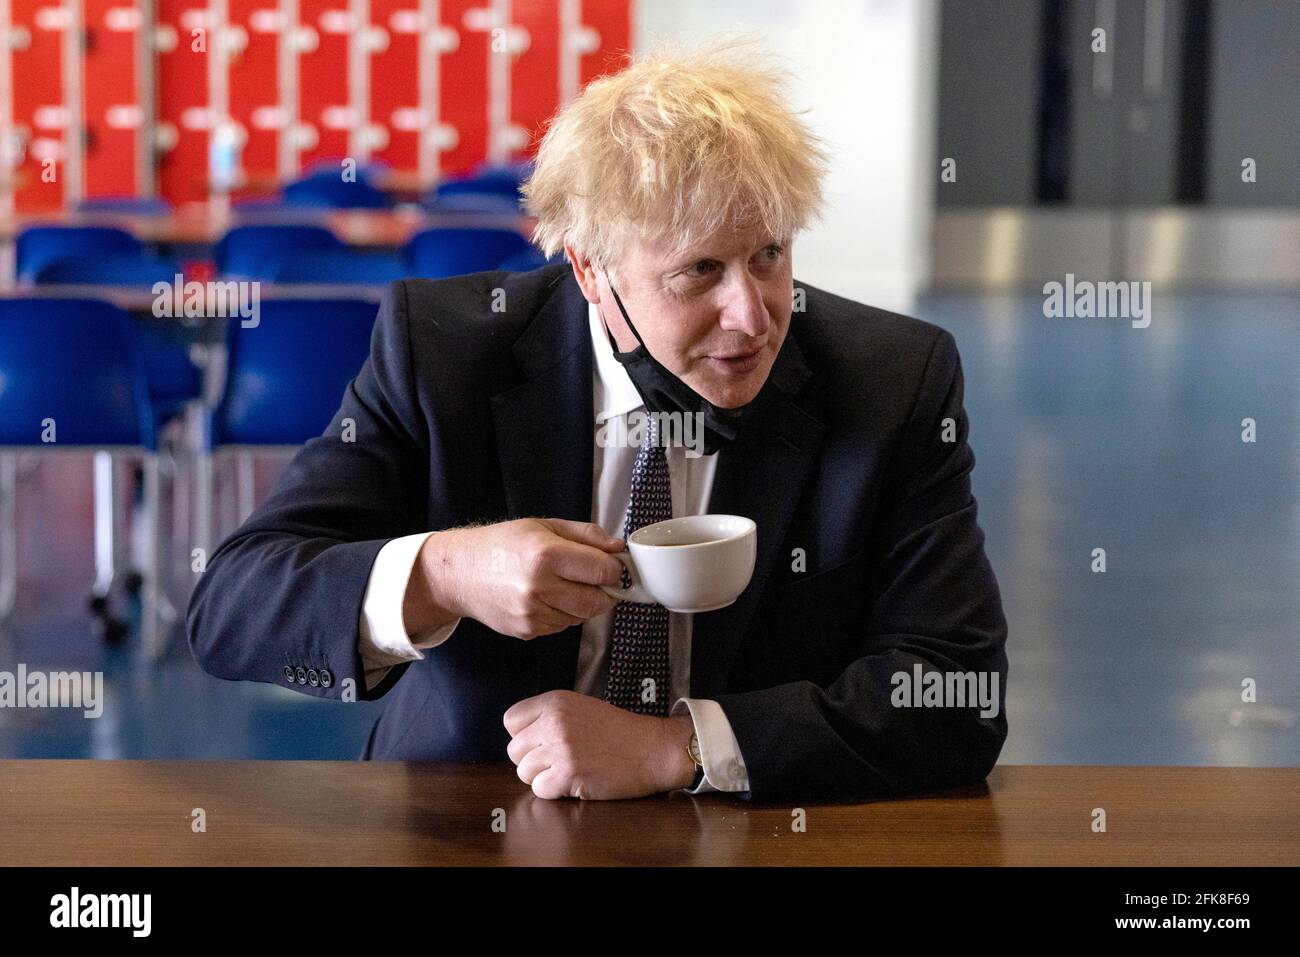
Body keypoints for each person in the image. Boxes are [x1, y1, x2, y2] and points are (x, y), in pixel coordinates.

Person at [187, 41, 1009, 804]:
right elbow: (234, 605)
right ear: (589, 268)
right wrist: (445, 573)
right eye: (700, 271)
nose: (754, 316)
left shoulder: (892, 379)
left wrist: (676, 747)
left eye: (769, 255)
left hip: (750, 824)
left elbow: (956, 690)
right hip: (466, 811)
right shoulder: (442, 355)